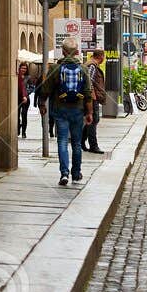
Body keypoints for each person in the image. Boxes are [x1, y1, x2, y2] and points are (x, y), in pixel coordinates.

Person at [38, 39, 92, 186]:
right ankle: (76, 173)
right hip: (78, 110)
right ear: (77, 52)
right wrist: (89, 113)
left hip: (60, 110)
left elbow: (45, 89)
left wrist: (42, 103)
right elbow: (88, 93)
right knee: (76, 143)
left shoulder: (55, 68)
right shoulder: (83, 69)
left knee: (62, 141)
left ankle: (64, 173)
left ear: (62, 51)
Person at [83, 50, 107, 153]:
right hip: (92, 98)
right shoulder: (92, 66)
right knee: (93, 120)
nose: (104, 58)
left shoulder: (91, 64)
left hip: (92, 97)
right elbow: (89, 82)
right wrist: (93, 97)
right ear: (101, 56)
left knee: (92, 120)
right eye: (103, 56)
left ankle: (81, 140)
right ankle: (93, 145)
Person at [16, 63, 30, 140]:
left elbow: (31, 87)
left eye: (25, 68)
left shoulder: (28, 77)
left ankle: (24, 132)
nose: (24, 70)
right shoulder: (17, 77)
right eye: (22, 68)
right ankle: (18, 129)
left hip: (26, 99)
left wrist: (26, 93)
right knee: (17, 115)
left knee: (24, 115)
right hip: (17, 98)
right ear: (19, 68)